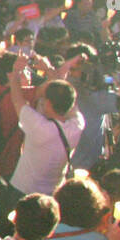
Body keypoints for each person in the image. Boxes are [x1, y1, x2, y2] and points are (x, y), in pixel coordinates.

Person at [8, 61, 84, 197]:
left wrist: (14, 76)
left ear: (48, 103)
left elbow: (17, 100)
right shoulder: (77, 125)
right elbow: (70, 98)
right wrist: (49, 70)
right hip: (52, 193)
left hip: (23, 190)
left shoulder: (39, 126)